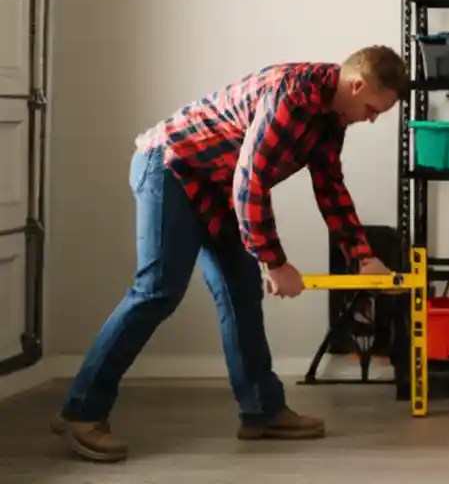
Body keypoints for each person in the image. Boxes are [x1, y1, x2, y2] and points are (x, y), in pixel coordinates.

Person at [52, 46, 409, 463]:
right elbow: (251, 179)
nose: (370, 119)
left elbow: (330, 187)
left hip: (217, 188)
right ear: (356, 84)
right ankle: (81, 412)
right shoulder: (291, 97)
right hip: (170, 169)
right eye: (371, 109)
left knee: (241, 290)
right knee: (158, 289)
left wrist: (362, 256)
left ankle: (262, 411)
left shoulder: (334, 118)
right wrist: (274, 262)